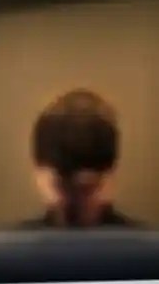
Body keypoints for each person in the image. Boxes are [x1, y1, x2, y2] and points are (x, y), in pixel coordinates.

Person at [22, 88, 141, 228]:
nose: (75, 206)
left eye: (87, 190)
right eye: (63, 187)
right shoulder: (11, 247)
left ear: (110, 177)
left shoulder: (150, 248)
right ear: (39, 175)